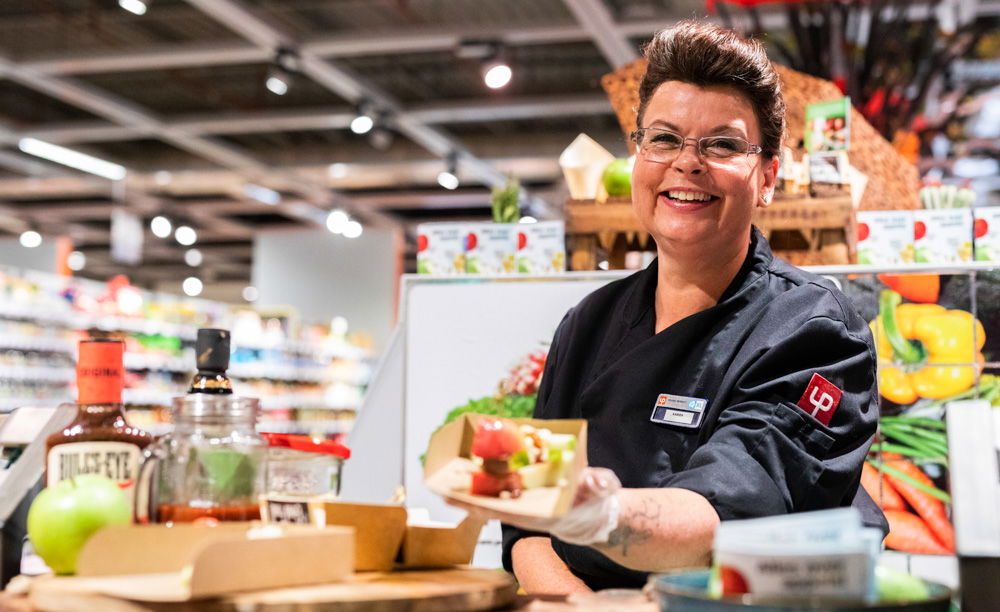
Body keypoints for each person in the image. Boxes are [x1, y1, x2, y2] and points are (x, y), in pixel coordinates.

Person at [483, 21, 884, 593]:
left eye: (721, 144)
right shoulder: (588, 323)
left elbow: (733, 515)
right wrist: (580, 607)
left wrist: (596, 515)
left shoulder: (815, 330)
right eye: (664, 138)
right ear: (638, 155)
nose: (686, 163)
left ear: (768, 175)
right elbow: (527, 531)